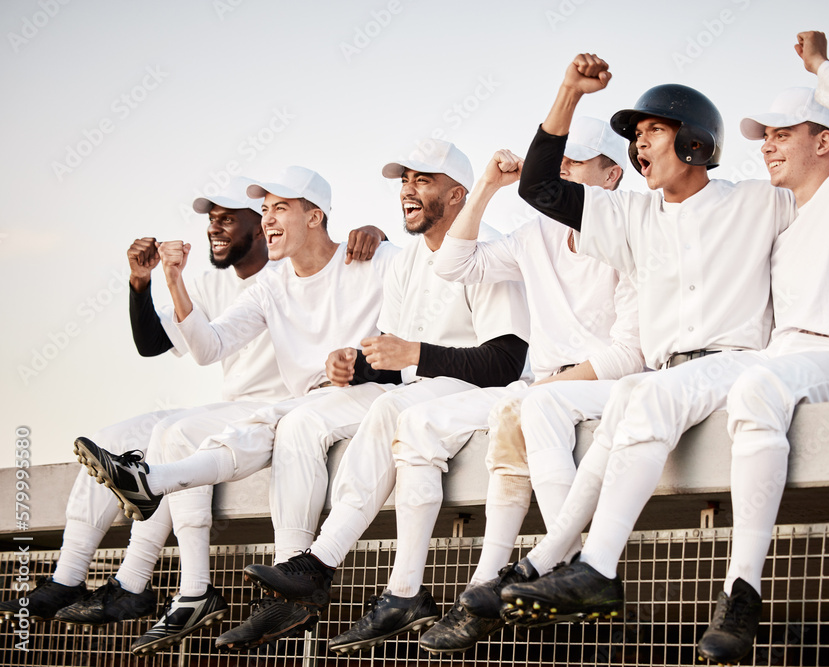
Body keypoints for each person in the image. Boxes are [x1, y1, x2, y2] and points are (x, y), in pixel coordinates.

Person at [494, 53, 797, 624]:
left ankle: (572, 566)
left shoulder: (760, 201)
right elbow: (536, 186)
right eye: (635, 135)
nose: (639, 144)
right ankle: (564, 566)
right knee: (548, 398)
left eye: (653, 129)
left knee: (641, 397)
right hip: (660, 380)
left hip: (735, 368)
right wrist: (568, 92)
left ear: (697, 141)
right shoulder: (631, 213)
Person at [221, 139, 530, 654]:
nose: (408, 189)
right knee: (322, 416)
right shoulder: (408, 261)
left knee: (395, 412)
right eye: (404, 180)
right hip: (426, 395)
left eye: (423, 180)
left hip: (490, 391)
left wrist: (411, 354)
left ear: (458, 196)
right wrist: (355, 364)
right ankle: (350, 579)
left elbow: (504, 362)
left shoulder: (489, 248)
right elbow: (396, 364)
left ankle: (321, 566)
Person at [73, 165, 399, 647]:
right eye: (264, 210)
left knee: (292, 421)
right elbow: (209, 347)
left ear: (315, 217)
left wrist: (367, 360)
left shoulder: (371, 258)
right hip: (308, 403)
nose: (268, 220)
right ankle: (282, 590)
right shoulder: (270, 286)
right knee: (266, 424)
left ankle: (157, 489)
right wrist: (174, 280)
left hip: (374, 394)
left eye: (280, 209)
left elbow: (420, 301)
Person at [697, 30, 829, 663]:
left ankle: (742, 590)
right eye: (762, 137)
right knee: (677, 392)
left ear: (824, 140)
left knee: (758, 385)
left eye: (781, 133)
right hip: (787, 364)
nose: (766, 147)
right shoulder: (782, 222)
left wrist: (819, 67)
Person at [0, 177, 289, 629]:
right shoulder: (212, 287)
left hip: (273, 407)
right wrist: (141, 280)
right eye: (211, 219)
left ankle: (135, 583)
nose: (215, 228)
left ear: (261, 224)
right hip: (230, 404)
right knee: (106, 441)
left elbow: (336, 262)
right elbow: (152, 343)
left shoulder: (290, 273)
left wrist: (374, 232)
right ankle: (69, 576)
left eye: (227, 219)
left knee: (169, 439)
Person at [409, 117, 643, 655]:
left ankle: (565, 566)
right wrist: (488, 188)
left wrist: (556, 382)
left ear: (610, 177)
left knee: (535, 403)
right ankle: (486, 585)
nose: (558, 169)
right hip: (553, 389)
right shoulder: (533, 233)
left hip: (615, 383)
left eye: (573, 162)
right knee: (510, 413)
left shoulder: (628, 231)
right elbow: (452, 264)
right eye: (555, 162)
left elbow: (632, 353)